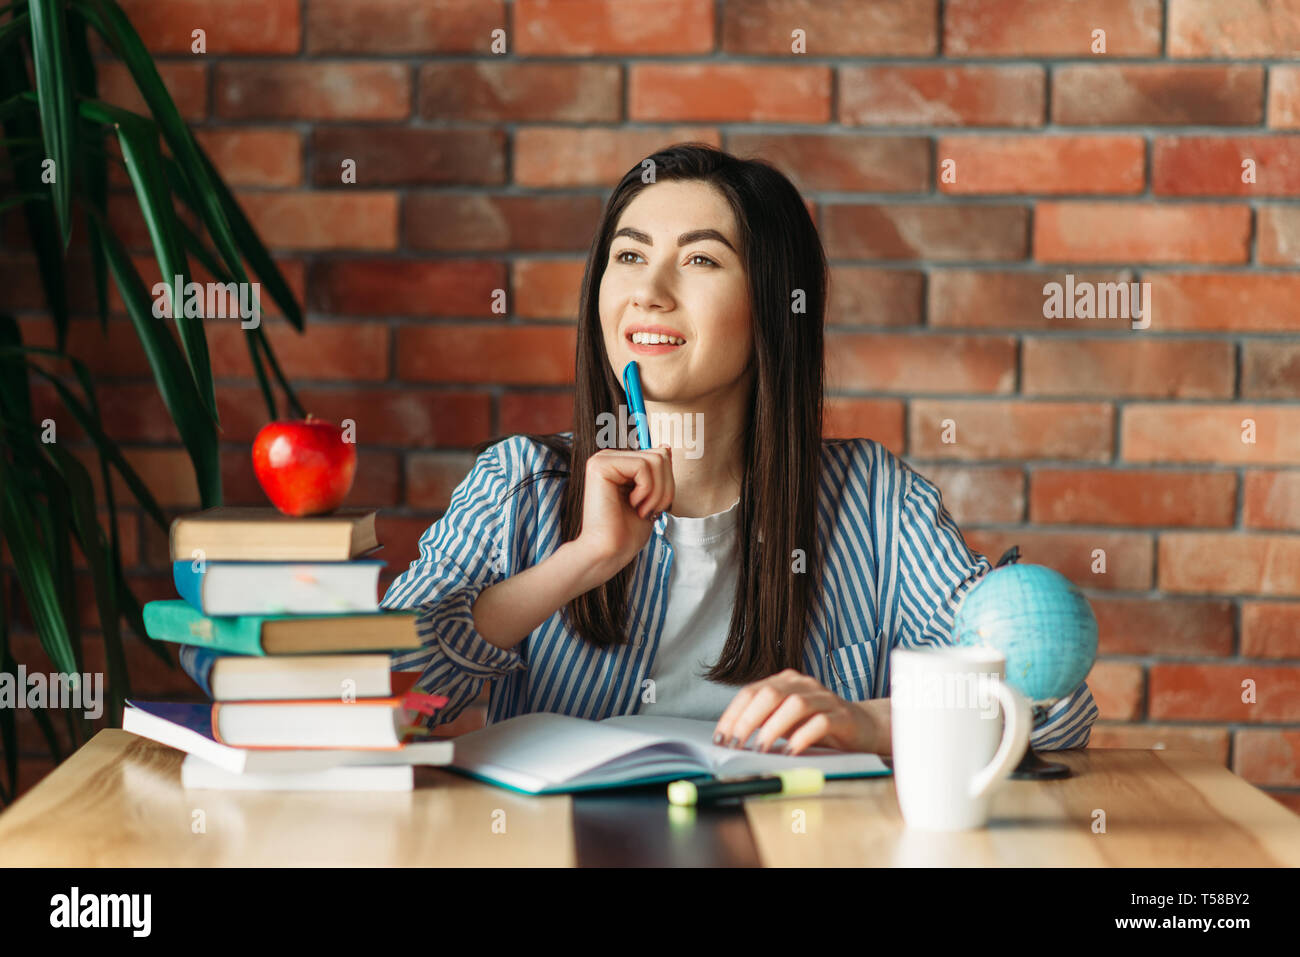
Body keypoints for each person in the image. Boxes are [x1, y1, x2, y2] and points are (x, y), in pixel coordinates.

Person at [380, 143, 1097, 756]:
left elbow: (1049, 704)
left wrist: (868, 722)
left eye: (699, 260)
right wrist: (579, 561)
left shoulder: (877, 504)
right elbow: (380, 697)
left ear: (773, 307)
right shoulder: (519, 484)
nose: (649, 292)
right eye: (628, 255)